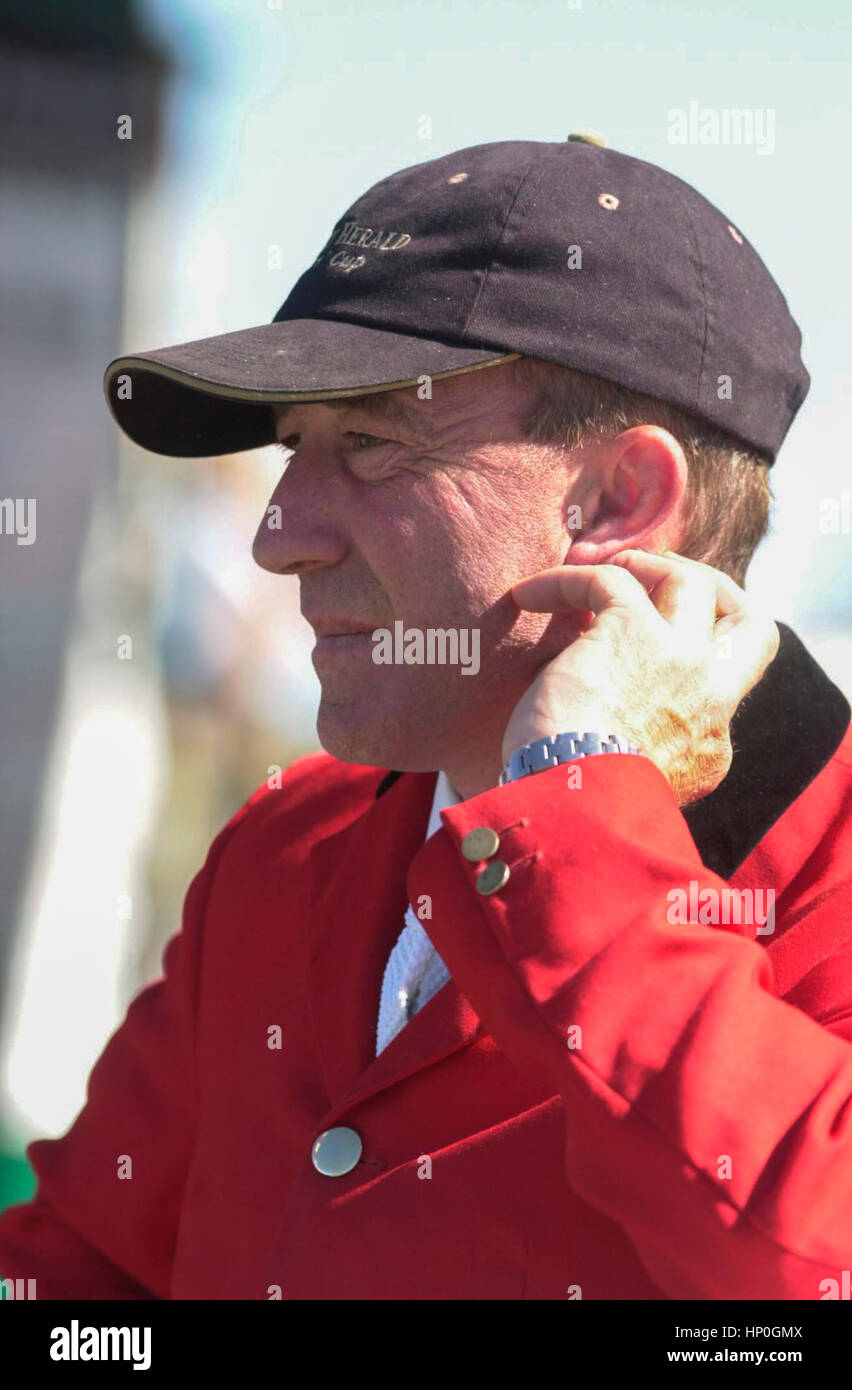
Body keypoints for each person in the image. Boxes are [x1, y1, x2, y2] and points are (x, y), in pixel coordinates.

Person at [1, 135, 850, 1300]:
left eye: (370, 443)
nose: (276, 533)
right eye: (294, 448)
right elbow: (73, 1277)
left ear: (617, 500)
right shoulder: (289, 846)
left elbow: (813, 1261)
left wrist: (579, 801)